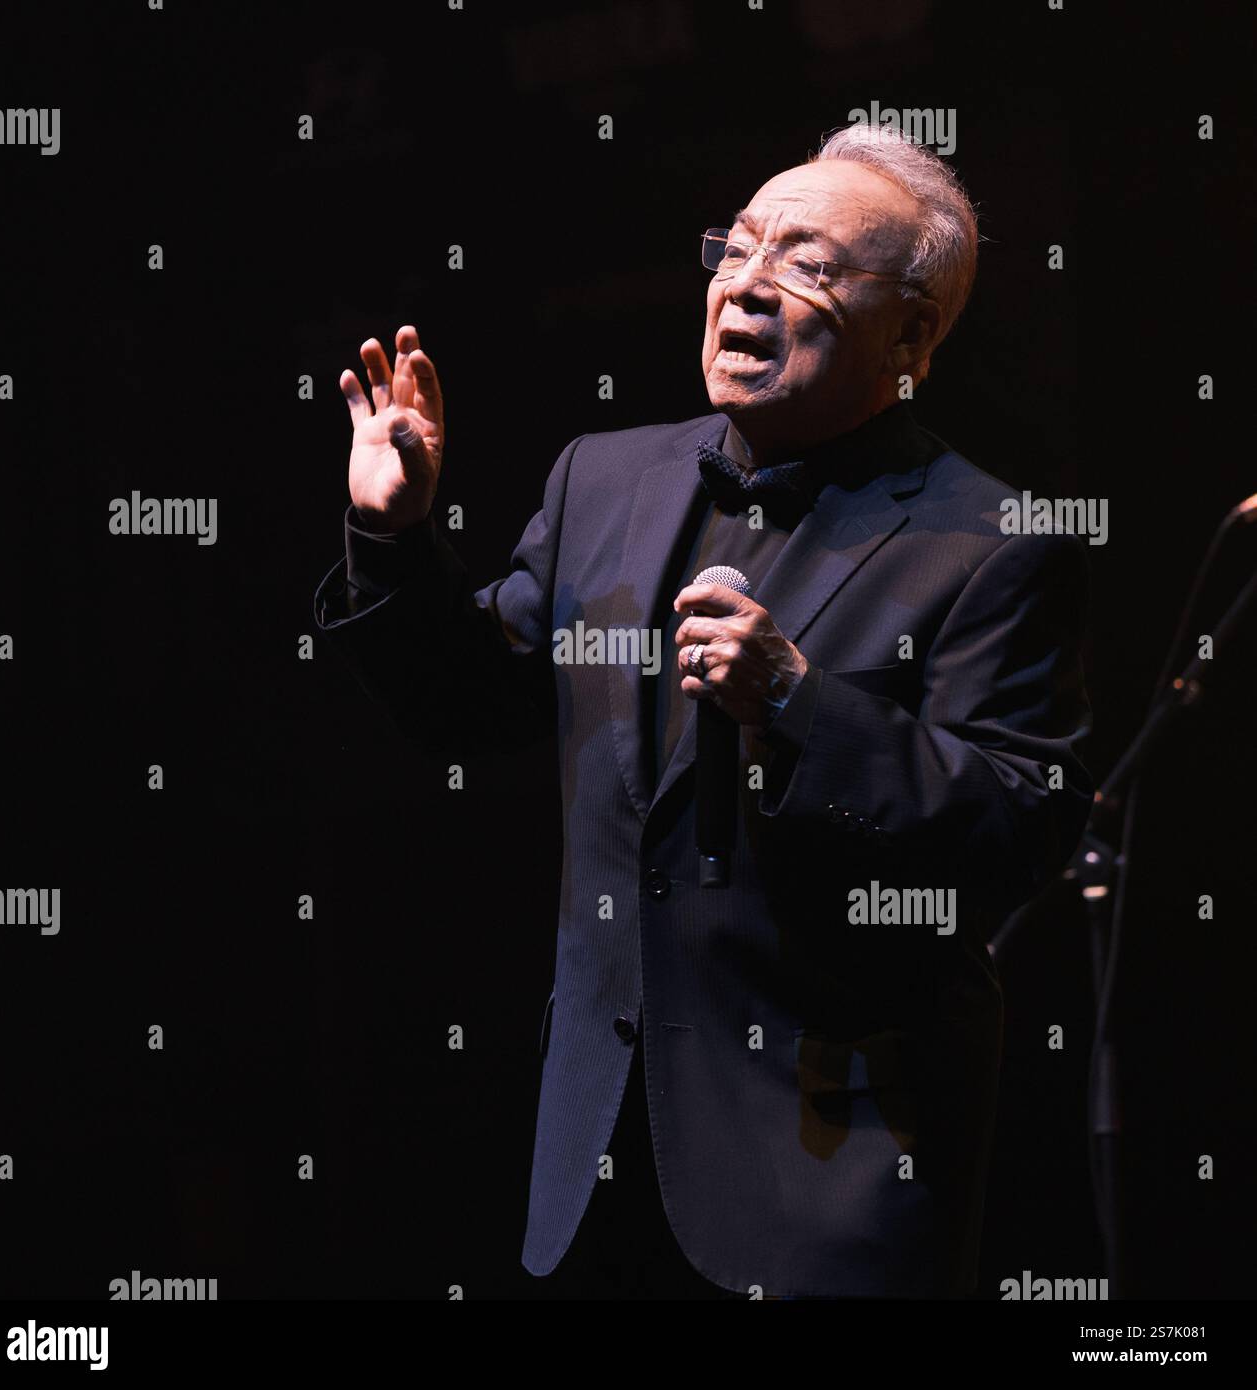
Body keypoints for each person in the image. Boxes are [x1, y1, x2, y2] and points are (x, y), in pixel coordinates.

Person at [313, 124, 1093, 1298]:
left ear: (912, 335)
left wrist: (798, 700)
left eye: (811, 266)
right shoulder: (604, 477)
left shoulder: (989, 543)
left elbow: (1015, 830)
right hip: (597, 1157)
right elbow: (465, 705)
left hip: (830, 1175)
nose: (747, 281)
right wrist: (392, 536)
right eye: (737, 246)